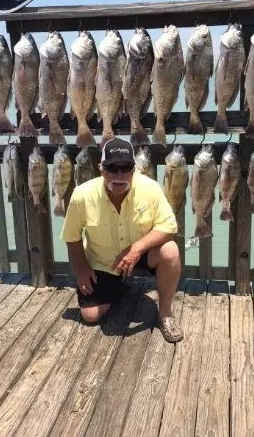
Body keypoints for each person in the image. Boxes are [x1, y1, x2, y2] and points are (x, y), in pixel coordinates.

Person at [61, 138, 183, 343]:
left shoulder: (150, 188)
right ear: (101, 168)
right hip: (102, 261)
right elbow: (71, 236)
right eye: (112, 168)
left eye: (126, 168)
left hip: (141, 254)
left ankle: (166, 314)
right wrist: (81, 268)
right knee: (90, 315)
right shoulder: (81, 195)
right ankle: (120, 285)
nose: (119, 175)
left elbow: (169, 227)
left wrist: (137, 249)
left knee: (170, 250)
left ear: (134, 169)